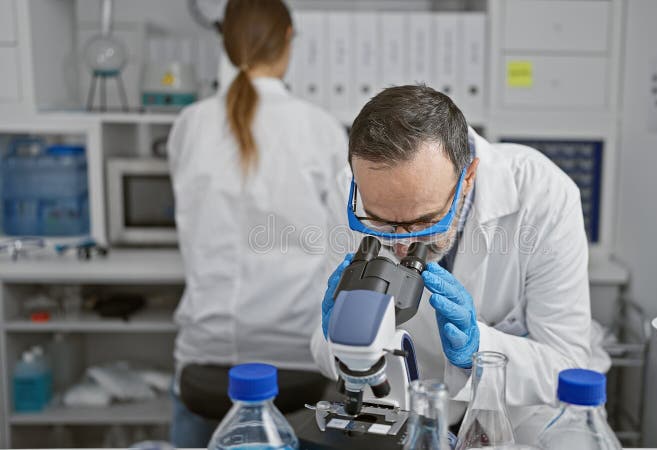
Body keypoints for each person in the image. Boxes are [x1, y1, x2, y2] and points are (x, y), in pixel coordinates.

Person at [310, 85, 602, 444]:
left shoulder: (544, 196)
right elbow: (324, 350)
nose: (402, 244)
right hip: (400, 409)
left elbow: (568, 365)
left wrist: (480, 350)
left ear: (468, 177)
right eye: (382, 222)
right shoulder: (354, 189)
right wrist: (337, 339)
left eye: (424, 221)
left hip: (520, 418)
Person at [167, 0, 348, 446]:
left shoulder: (190, 125)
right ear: (288, 39)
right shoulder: (322, 129)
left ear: (224, 42)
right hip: (299, 356)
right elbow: (343, 242)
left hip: (205, 353)